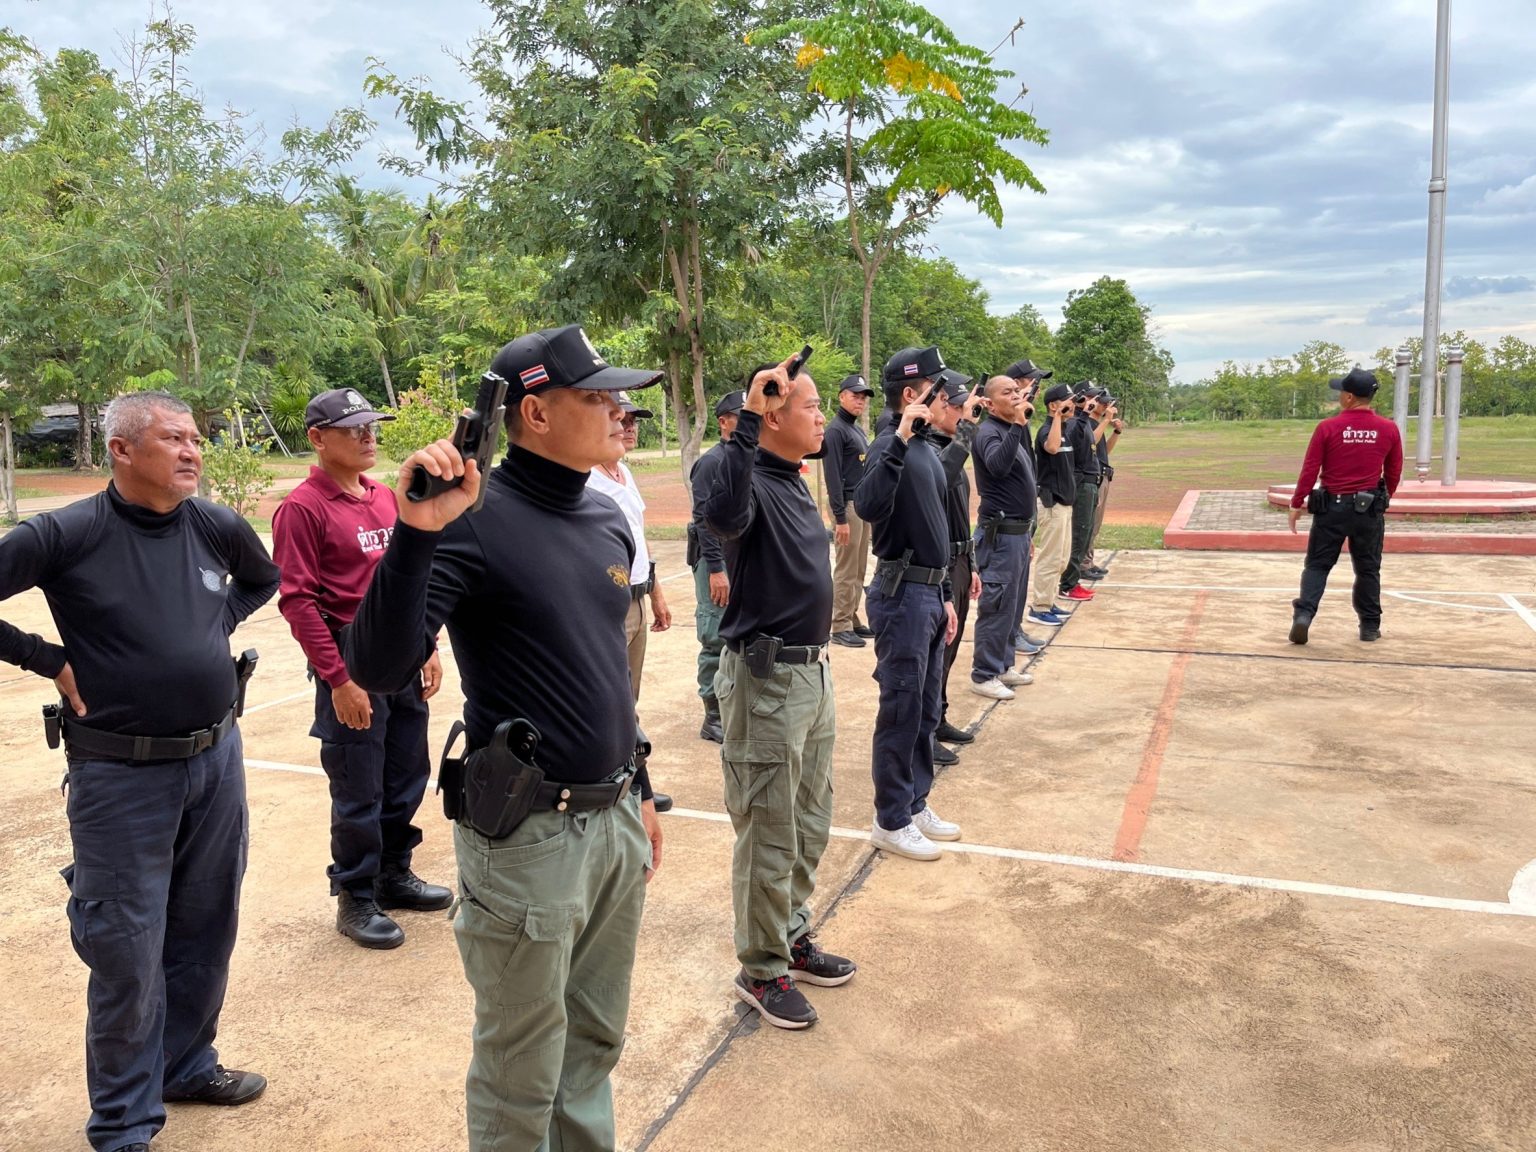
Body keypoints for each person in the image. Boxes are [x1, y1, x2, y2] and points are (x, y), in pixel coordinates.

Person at [345, 324, 665, 1152]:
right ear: (536, 413)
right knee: (521, 1064)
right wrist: (417, 530)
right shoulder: (471, 519)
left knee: (593, 1042)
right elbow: (377, 666)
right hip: (531, 838)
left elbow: (603, 668)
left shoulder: (606, 516)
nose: (620, 412)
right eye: (597, 397)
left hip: (612, 820)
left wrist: (639, 784)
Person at [0, 391, 277, 1152]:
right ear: (121, 450)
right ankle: (124, 1121)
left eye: (196, 439)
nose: (192, 451)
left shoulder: (214, 523)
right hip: (120, 778)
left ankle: (185, 1066)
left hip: (215, 761)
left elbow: (263, 579)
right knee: (125, 947)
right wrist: (47, 659)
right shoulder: (65, 533)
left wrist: (214, 625)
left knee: (205, 926)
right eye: (173, 438)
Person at [698, 354, 856, 1031]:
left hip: (810, 674)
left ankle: (791, 935)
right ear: (771, 416)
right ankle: (761, 969)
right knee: (767, 829)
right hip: (765, 682)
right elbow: (722, 516)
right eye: (810, 406)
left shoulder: (792, 477)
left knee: (809, 819)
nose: (821, 418)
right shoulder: (743, 473)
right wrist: (747, 419)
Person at [272, 389, 453, 951]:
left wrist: (427, 644)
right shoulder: (303, 508)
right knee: (359, 786)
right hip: (349, 654)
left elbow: (410, 580)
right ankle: (355, 894)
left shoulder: (384, 497)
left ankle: (393, 873)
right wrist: (339, 679)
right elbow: (298, 603)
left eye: (371, 426)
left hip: (400, 650)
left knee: (406, 773)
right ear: (317, 438)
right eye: (353, 429)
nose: (367, 436)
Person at [854, 346, 965, 861]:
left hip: (928, 594)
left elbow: (935, 529)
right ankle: (891, 819)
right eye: (935, 390)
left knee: (923, 708)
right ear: (910, 395)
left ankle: (915, 802)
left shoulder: (925, 449)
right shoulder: (888, 445)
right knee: (900, 709)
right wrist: (898, 438)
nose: (944, 398)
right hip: (900, 596)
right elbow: (867, 505)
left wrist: (945, 596)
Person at [587, 391, 673, 812]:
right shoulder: (589, 479)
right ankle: (624, 786)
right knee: (610, 699)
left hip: (637, 598)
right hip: (611, 603)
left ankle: (633, 782)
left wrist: (656, 592)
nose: (630, 427)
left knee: (629, 699)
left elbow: (639, 537)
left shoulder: (623, 473)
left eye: (634, 420)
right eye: (622, 419)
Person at [1287, 366, 1404, 644]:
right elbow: (1394, 470)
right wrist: (1383, 499)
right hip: (1368, 509)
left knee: (1317, 565)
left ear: (1349, 397)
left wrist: (1297, 502)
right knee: (1367, 568)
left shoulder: (1327, 427)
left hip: (1332, 508)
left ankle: (1304, 616)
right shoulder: (1388, 428)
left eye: (1341, 391)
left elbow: (1310, 468)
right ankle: (1369, 626)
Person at [925, 380, 989, 758]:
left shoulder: (951, 450)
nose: (964, 414)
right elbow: (941, 480)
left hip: (961, 560)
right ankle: (926, 728)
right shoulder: (932, 453)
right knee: (936, 651)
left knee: (949, 651)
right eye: (957, 406)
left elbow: (962, 517)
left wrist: (973, 564)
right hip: (942, 564)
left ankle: (939, 716)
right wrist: (967, 431)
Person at [969, 375, 1038, 701]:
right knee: (996, 605)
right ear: (989, 403)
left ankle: (1003, 663)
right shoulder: (988, 432)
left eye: (1017, 391)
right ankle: (984, 673)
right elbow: (997, 466)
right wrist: (1018, 426)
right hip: (1000, 537)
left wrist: (1027, 533)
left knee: (1012, 605)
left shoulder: (1011, 430)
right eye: (1007, 392)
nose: (1016, 396)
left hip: (1018, 534)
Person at [688, 389, 744, 743]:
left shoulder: (746, 459)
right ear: (724, 422)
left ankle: (732, 702)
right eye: (742, 416)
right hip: (715, 562)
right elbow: (703, 520)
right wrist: (716, 569)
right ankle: (713, 716)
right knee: (715, 636)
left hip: (739, 559)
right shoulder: (712, 462)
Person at [822, 373, 876, 647]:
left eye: (864, 397)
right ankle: (840, 624)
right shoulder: (836, 431)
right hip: (847, 506)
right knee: (846, 568)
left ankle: (851, 616)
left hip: (861, 504)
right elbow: (832, 476)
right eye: (855, 396)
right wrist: (840, 517)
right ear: (841, 396)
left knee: (859, 567)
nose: (860, 401)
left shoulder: (855, 429)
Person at [1027, 383, 1078, 629]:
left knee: (1061, 559)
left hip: (1065, 503)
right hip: (1052, 503)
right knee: (1050, 558)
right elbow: (1052, 448)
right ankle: (1039, 607)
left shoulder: (1065, 429)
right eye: (1067, 401)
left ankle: (1049, 600)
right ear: (1053, 405)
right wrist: (1058, 416)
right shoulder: (1047, 430)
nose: (1072, 405)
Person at [1058, 384, 1114, 602]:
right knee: (1079, 534)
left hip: (1090, 481)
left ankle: (1073, 580)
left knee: (1086, 532)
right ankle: (1069, 584)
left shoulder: (1083, 423)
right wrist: (1098, 419)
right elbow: (1086, 445)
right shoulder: (1076, 423)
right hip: (1082, 483)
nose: (1096, 403)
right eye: (1093, 399)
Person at [1082, 390, 1123, 579]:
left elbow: (1104, 451)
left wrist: (1116, 432)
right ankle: (1083, 565)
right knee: (1088, 523)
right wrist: (1106, 420)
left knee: (1095, 524)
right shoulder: (1087, 424)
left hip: (1103, 475)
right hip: (1093, 478)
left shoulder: (1097, 424)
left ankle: (1088, 561)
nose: (1107, 406)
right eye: (1103, 403)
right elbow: (1089, 443)